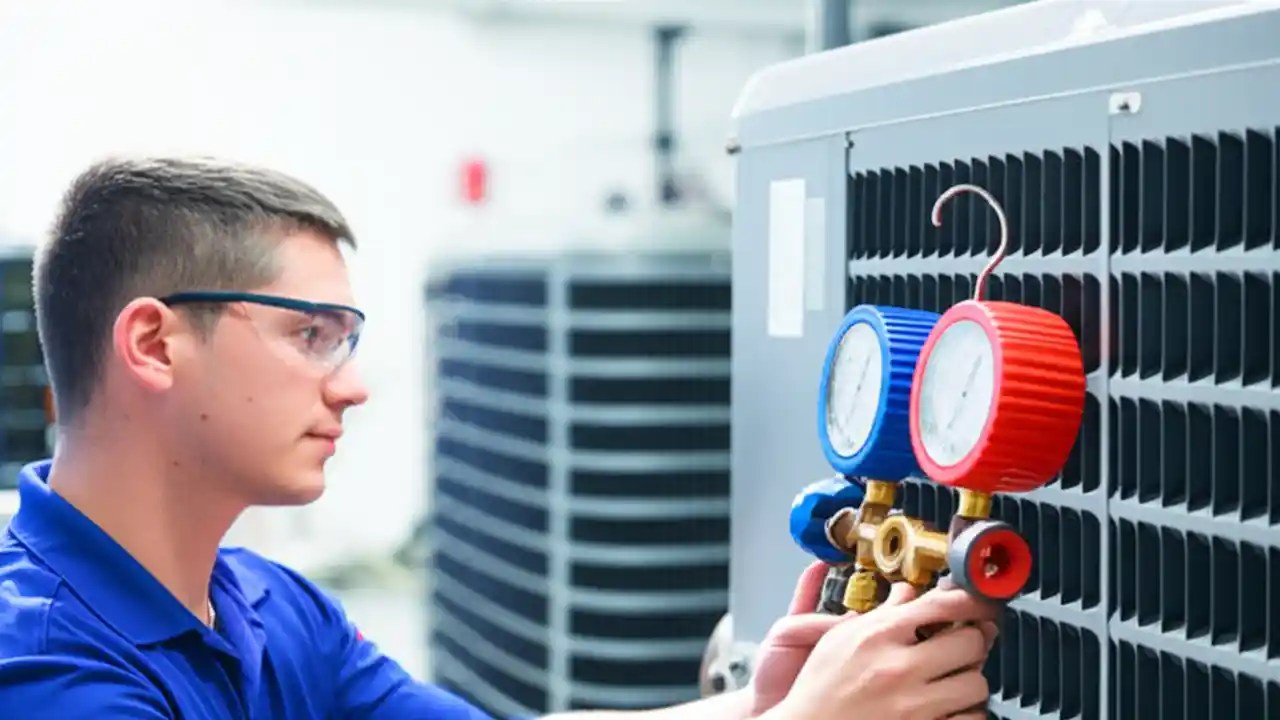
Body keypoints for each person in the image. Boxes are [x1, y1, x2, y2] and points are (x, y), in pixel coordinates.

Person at [0, 156, 999, 719]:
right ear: (153, 344)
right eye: (311, 336)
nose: (350, 387)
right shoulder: (46, 669)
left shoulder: (260, 604)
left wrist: (755, 709)